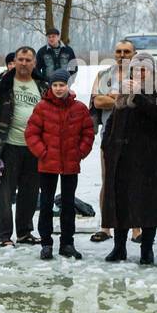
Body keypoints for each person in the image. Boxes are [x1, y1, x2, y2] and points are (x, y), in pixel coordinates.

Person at [101, 55, 157, 264]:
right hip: (122, 155)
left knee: (148, 202)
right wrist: (107, 144)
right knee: (120, 200)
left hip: (149, 157)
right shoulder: (124, 91)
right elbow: (114, 119)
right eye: (135, 69)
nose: (139, 73)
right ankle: (119, 247)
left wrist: (138, 94)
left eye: (144, 69)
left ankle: (146, 249)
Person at [24, 68, 95, 260]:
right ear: (50, 87)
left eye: (61, 85)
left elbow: (88, 133)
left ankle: (67, 243)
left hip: (70, 164)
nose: (58, 88)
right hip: (47, 165)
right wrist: (43, 152)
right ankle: (46, 243)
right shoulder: (42, 107)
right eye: (54, 85)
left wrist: (80, 152)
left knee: (68, 204)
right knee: (46, 205)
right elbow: (31, 133)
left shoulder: (79, 108)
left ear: (67, 86)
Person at [0, 46, 42, 245]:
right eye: (20, 59)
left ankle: (24, 232)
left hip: (34, 148)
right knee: (5, 193)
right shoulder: (3, 85)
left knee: (30, 192)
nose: (23, 63)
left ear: (34, 63)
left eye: (28, 59)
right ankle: (4, 235)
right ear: (14, 61)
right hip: (8, 146)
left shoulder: (42, 86)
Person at [88, 38, 135, 243]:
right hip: (109, 136)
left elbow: (143, 101)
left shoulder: (143, 75)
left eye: (126, 51)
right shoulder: (104, 75)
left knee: (134, 183)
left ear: (134, 54)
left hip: (135, 138)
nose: (122, 55)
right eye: (118, 51)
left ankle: (136, 228)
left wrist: (113, 98)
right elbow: (97, 100)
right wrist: (122, 98)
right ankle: (106, 227)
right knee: (108, 182)